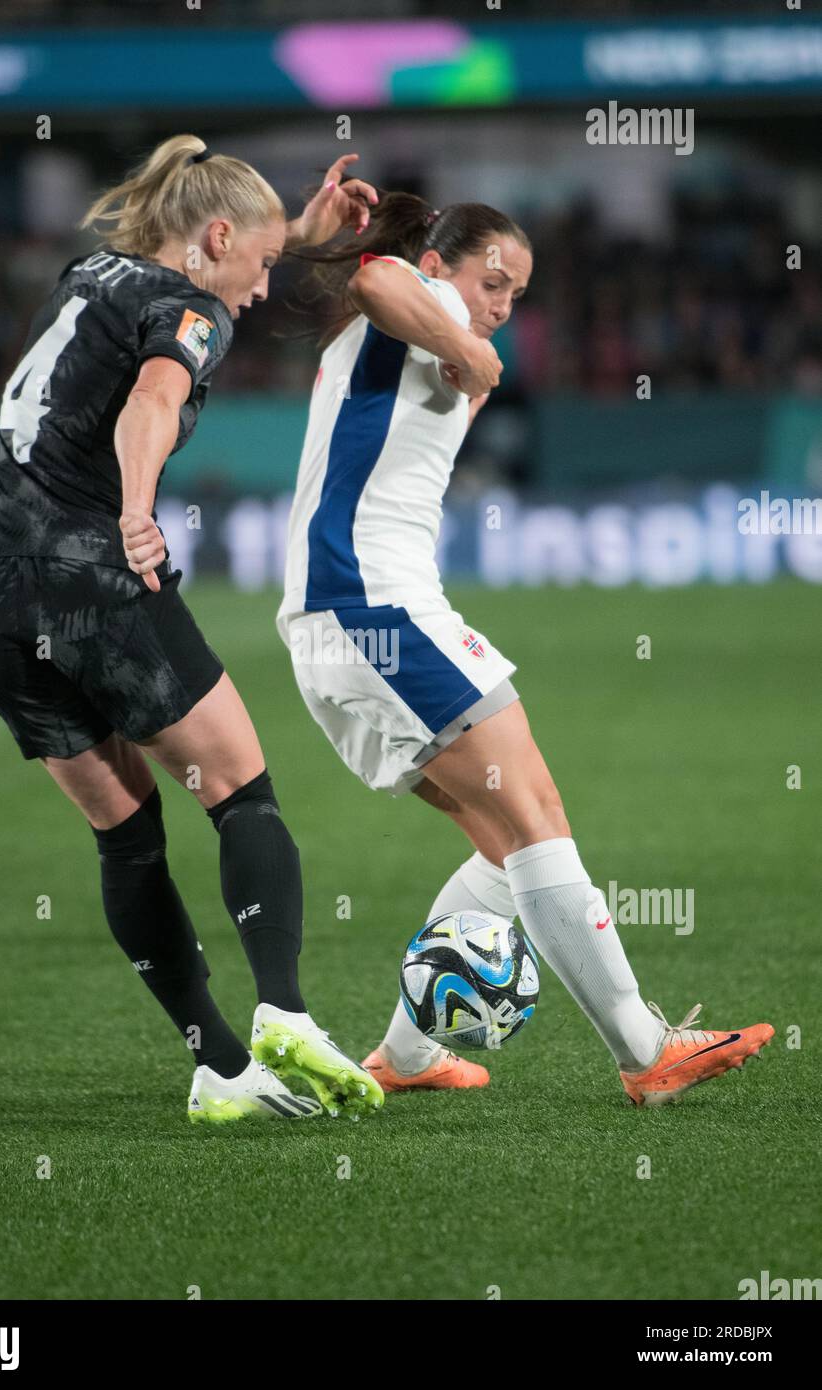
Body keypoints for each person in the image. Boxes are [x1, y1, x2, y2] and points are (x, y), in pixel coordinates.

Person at [278, 191, 773, 1104]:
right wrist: (465, 344)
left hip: (345, 620)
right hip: (370, 609)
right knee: (536, 803)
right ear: (440, 268)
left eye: (515, 293)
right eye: (489, 282)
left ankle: (408, 1056)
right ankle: (645, 1050)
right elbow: (379, 275)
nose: (501, 305)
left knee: (508, 842)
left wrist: (466, 347)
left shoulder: (422, 333)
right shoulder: (411, 312)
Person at [0, 135, 386, 1125]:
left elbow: (153, 326)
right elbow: (151, 399)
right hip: (91, 579)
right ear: (217, 237)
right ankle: (283, 1011)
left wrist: (303, 232)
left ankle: (223, 1070)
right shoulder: (188, 306)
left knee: (128, 836)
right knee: (241, 793)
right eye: (263, 265)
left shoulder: (91, 272)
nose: (262, 292)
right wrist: (137, 510)